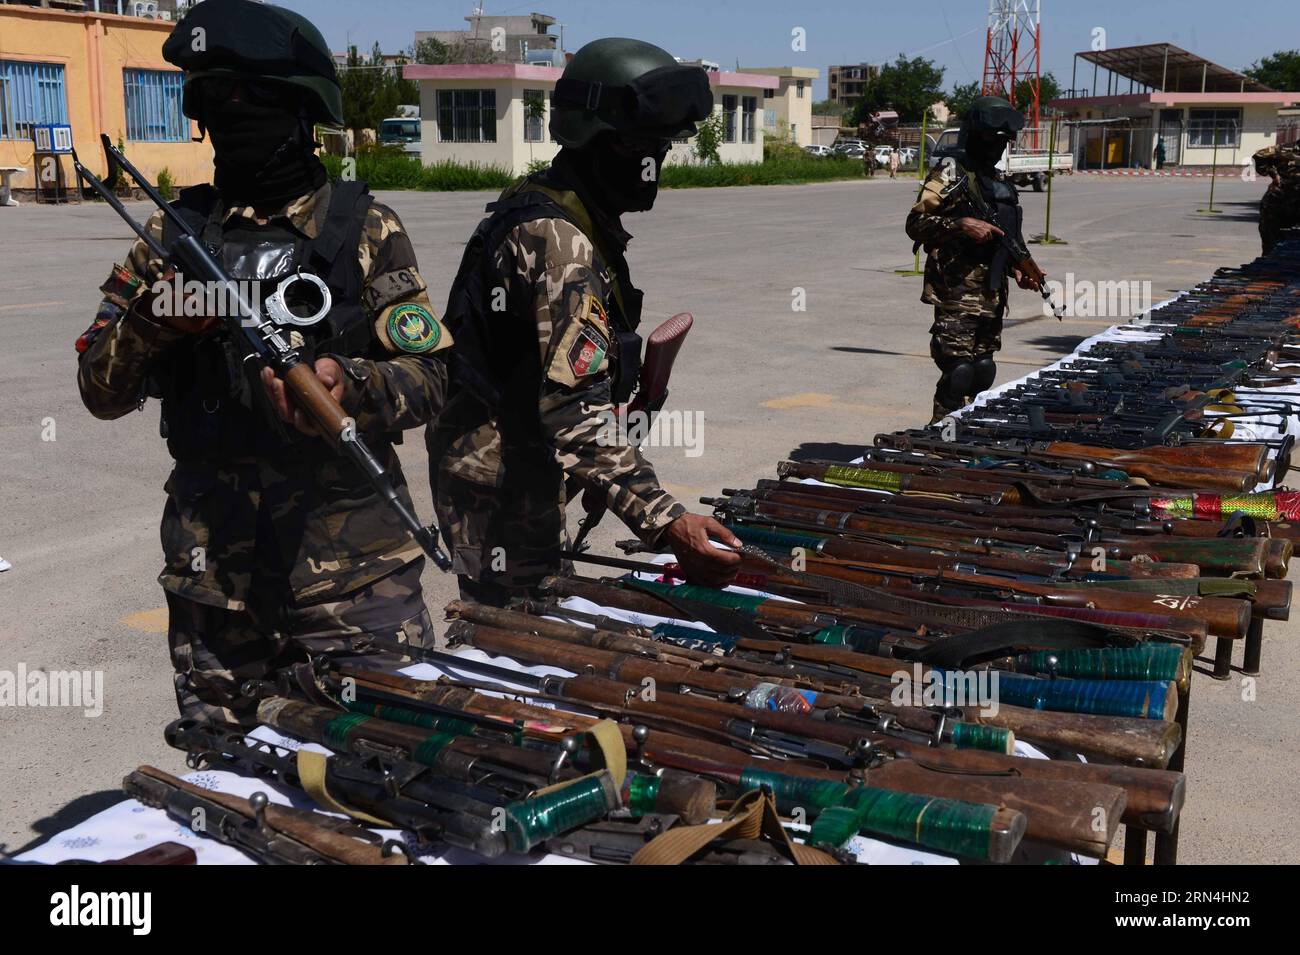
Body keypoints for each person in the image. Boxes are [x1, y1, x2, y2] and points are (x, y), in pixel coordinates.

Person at [75, 0, 451, 724]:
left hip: (356, 585)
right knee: (232, 792)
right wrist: (157, 320)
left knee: (387, 780)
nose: (237, 115)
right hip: (215, 584)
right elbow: (98, 387)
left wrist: (355, 384)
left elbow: (434, 374)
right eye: (219, 99)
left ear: (302, 111)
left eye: (257, 98)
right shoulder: (171, 234)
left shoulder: (365, 229)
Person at [428, 37, 742, 606]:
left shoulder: (559, 206)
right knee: (513, 637)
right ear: (590, 139)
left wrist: (602, 473)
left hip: (521, 463)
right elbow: (572, 411)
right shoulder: (558, 239)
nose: (652, 163)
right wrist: (666, 522)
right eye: (635, 145)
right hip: (501, 484)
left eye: (661, 148)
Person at [905, 96, 1043, 423]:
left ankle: (968, 434)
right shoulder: (950, 172)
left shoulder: (999, 183)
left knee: (983, 372)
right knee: (959, 373)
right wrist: (959, 225)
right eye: (993, 140)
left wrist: (1018, 270)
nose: (998, 148)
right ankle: (941, 437)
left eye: (1003, 143)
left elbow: (1007, 240)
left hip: (992, 294)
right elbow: (915, 224)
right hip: (956, 291)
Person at [1252, 140, 1300, 255]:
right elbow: (1259, 155)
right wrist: (1273, 174)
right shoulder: (1285, 149)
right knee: (1271, 248)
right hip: (1277, 205)